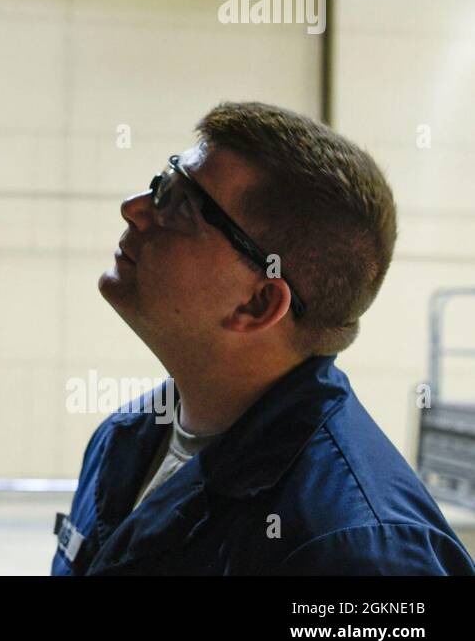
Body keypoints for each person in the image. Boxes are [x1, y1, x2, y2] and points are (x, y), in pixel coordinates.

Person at [53, 105, 475, 575]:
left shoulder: (356, 550)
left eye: (181, 205)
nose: (134, 208)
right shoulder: (124, 440)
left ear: (256, 305)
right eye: (163, 181)